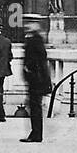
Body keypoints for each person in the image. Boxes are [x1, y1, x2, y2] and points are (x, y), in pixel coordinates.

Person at [20, 14, 51, 143]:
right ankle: (35, 133)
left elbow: (39, 59)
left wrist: (29, 69)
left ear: (35, 25)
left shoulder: (35, 39)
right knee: (34, 107)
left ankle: (36, 135)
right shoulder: (34, 38)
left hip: (36, 80)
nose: (26, 26)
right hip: (36, 79)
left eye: (28, 23)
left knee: (35, 107)